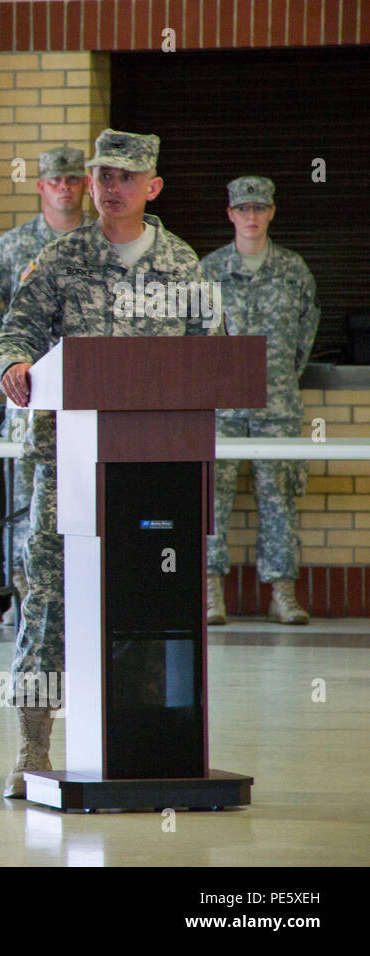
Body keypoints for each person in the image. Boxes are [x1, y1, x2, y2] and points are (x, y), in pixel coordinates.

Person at [0, 129, 221, 798]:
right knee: (50, 603)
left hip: (153, 469)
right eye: (100, 174)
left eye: (125, 175)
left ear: (153, 187)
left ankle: (141, 740)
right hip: (67, 467)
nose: (109, 186)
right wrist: (14, 364)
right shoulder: (62, 259)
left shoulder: (182, 265)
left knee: (144, 602)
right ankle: (33, 746)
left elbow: (212, 353)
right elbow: (13, 332)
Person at [0, 147, 91, 621]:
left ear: (86, 187)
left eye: (73, 180)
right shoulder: (16, 247)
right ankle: (23, 594)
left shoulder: (100, 245)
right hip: (31, 393)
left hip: (90, 392)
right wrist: (20, 349)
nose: (64, 188)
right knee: (27, 495)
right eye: (55, 180)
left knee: (85, 489)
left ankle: (83, 589)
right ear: (41, 186)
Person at [203, 177, 319, 626]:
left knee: (280, 498)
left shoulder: (294, 271)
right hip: (220, 405)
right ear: (230, 214)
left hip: (277, 404)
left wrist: (276, 378)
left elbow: (303, 339)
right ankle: (212, 593)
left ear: (272, 212)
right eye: (243, 208)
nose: (251, 216)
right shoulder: (208, 271)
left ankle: (282, 595)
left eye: (260, 208)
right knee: (212, 498)